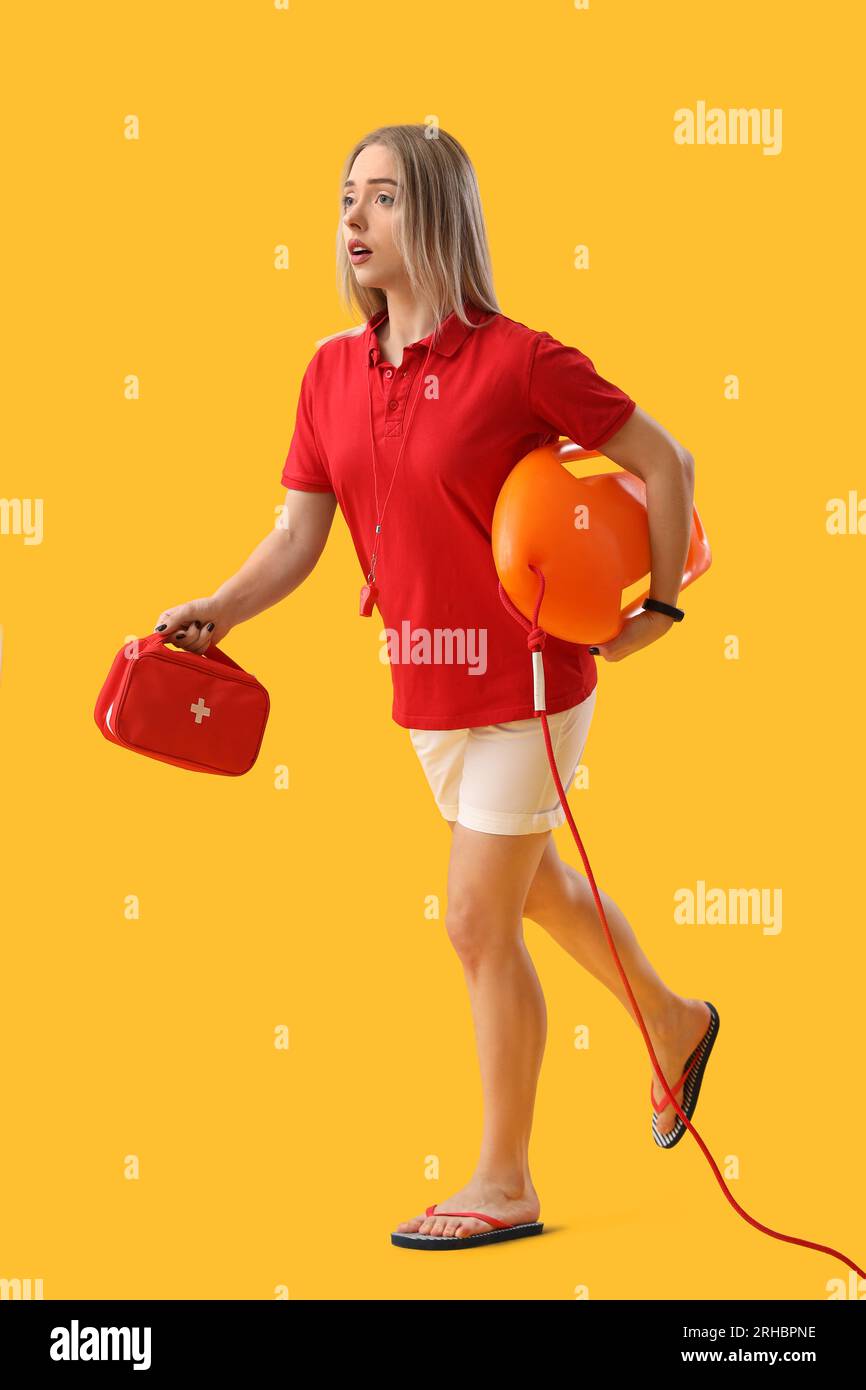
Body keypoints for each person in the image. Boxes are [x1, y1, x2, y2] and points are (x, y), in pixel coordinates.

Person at [153, 124, 713, 1247]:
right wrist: (214, 607)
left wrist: (653, 611)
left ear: (440, 218)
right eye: (345, 199)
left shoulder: (519, 360)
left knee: (471, 919)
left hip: (530, 680)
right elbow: (296, 540)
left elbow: (667, 463)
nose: (354, 220)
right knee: (532, 893)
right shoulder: (325, 372)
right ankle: (674, 1017)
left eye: (384, 199)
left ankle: (503, 1180)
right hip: (423, 686)